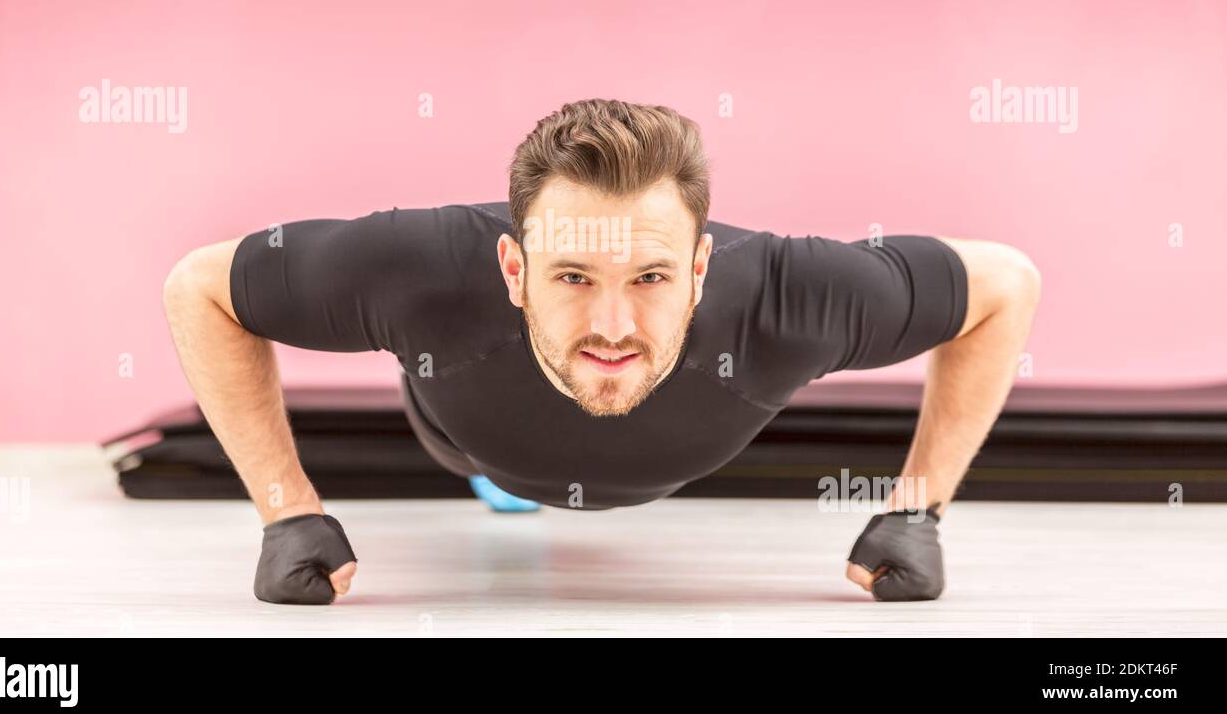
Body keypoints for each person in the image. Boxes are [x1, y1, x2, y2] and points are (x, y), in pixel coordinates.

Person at [163, 98, 1041, 605]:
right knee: (486, 468)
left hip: (651, 451)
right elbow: (198, 287)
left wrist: (918, 510)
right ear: (512, 267)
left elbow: (1004, 283)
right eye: (574, 276)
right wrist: (286, 511)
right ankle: (493, 485)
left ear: (701, 268)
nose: (613, 325)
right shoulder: (417, 270)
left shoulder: (789, 295)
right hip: (463, 437)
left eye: (652, 278)